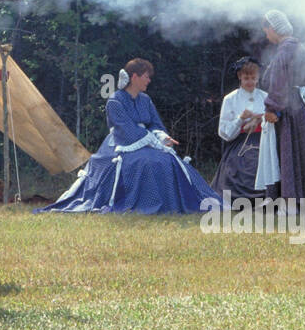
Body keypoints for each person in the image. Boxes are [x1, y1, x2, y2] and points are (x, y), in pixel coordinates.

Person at [39, 58, 221, 214]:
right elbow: (125, 129)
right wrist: (152, 140)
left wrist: (162, 138)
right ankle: (147, 204)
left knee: (168, 160)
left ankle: (172, 204)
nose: (149, 80)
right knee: (147, 162)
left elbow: (155, 124)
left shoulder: (145, 100)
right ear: (134, 76)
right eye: (146, 76)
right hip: (120, 143)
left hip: (147, 141)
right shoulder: (115, 101)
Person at [259, 10, 305, 212]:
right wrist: (304, 97)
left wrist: (272, 107)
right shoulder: (300, 48)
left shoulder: (284, 51)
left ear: (272, 29)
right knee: (302, 153)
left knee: (288, 153)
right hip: (300, 107)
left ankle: (290, 202)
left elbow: (278, 82)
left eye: (266, 31)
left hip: (287, 109)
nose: (266, 36)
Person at [212, 57, 268, 201]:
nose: (250, 82)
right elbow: (224, 133)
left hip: (264, 141)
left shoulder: (265, 97)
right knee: (247, 162)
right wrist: (240, 119)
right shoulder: (230, 99)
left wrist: (260, 119)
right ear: (239, 77)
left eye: (253, 78)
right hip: (239, 142)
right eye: (246, 78)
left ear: (258, 77)